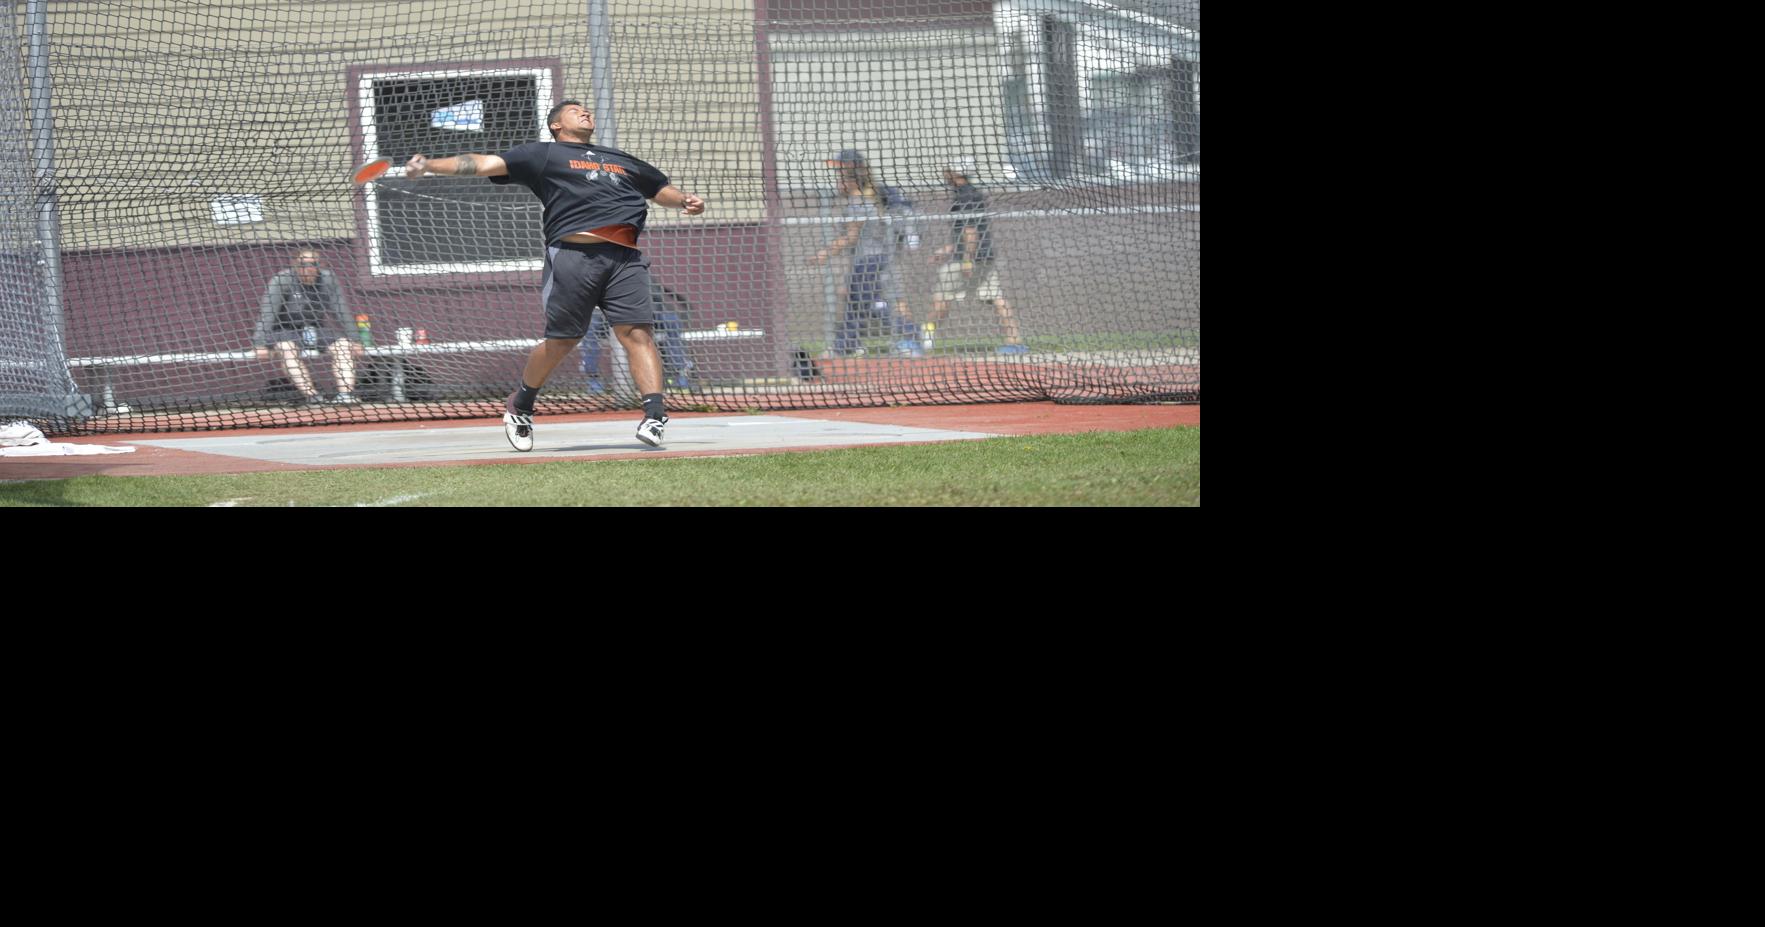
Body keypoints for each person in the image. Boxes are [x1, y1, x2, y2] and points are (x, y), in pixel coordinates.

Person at [404, 99, 705, 451]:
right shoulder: (543, 154)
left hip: (626, 259)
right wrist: (430, 166)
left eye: (587, 108)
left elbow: (658, 189)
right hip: (573, 257)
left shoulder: (620, 159)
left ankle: (654, 416)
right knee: (563, 339)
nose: (585, 111)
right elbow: (484, 162)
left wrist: (684, 199)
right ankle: (521, 404)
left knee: (638, 334)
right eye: (574, 109)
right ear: (556, 125)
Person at [808, 149, 920, 358]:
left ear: (851, 181)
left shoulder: (860, 202)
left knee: (872, 304)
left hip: (871, 261)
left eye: (842, 180)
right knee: (856, 302)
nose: (838, 184)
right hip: (872, 259)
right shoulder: (864, 200)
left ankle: (909, 336)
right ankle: (850, 343)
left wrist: (825, 253)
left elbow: (851, 235)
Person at [923, 157, 1026, 355]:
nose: (945, 174)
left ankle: (925, 337)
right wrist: (946, 250)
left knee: (941, 300)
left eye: (948, 170)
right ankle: (1014, 340)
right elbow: (966, 231)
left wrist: (967, 260)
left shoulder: (966, 197)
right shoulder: (968, 194)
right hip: (977, 256)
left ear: (956, 173)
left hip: (971, 259)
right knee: (996, 298)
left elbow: (971, 231)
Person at [252, 249, 364, 404]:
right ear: (295, 265)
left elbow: (341, 310)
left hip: (314, 329)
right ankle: (313, 397)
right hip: (284, 331)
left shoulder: (328, 279)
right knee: (287, 349)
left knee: (344, 346)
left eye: (314, 264)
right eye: (304, 264)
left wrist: (355, 339)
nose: (309, 268)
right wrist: (260, 344)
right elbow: (267, 312)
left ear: (320, 265)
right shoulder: (282, 280)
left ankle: (346, 395)